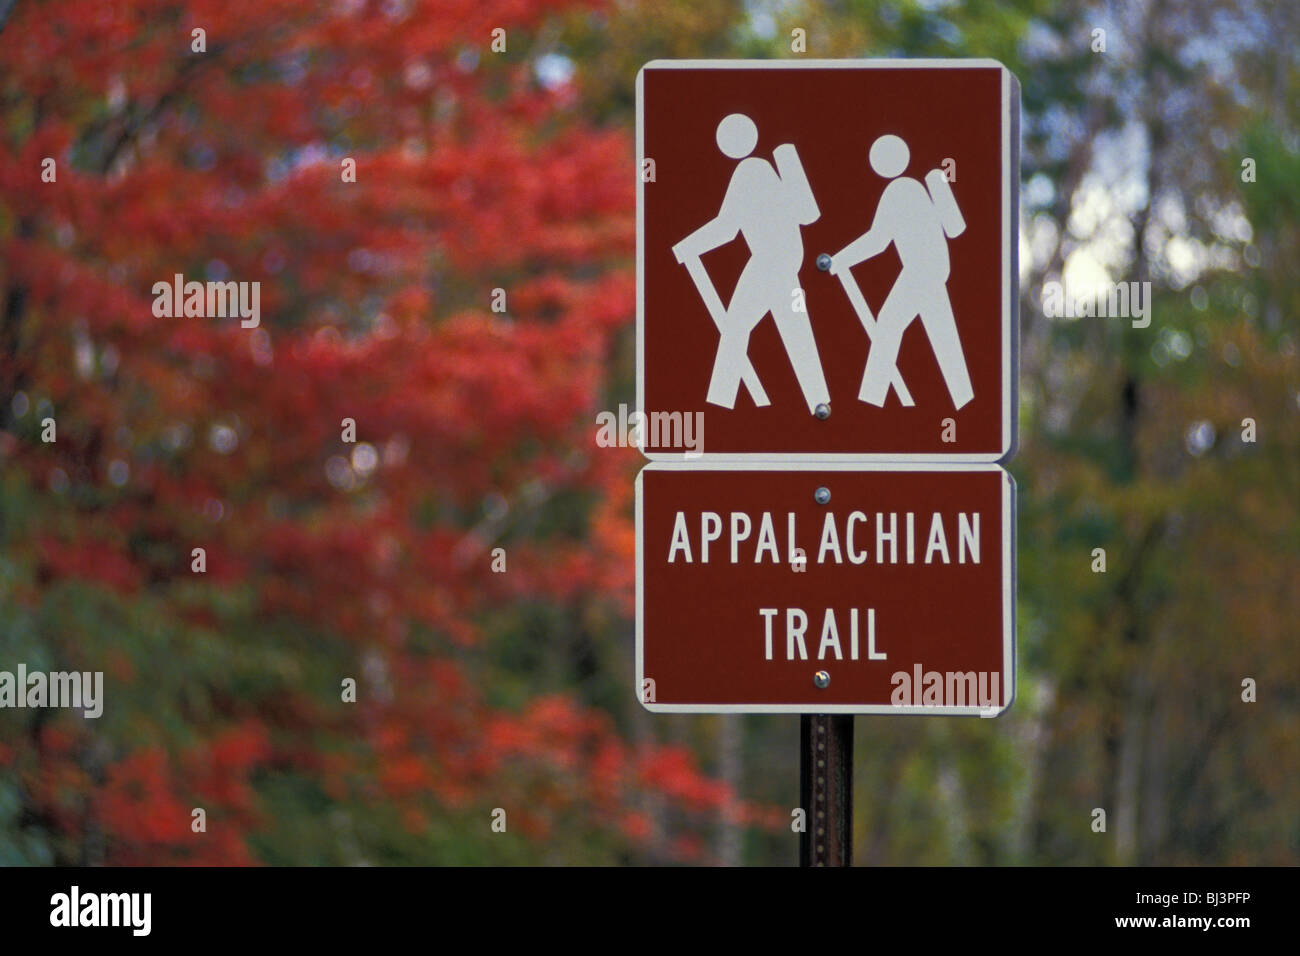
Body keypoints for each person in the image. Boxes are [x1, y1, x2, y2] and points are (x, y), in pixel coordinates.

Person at [673, 113, 830, 414]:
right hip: (786, 263)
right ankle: (818, 401)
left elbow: (728, 227)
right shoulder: (766, 170)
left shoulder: (749, 171)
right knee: (794, 328)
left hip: (769, 263)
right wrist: (689, 247)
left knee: (736, 326)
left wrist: (686, 247)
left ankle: (720, 405)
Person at [828, 134, 974, 410]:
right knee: (941, 334)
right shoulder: (914, 187)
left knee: (888, 323)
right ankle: (965, 401)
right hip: (934, 268)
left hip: (921, 271)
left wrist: (839, 260)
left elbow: (878, 240)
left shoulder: (899, 190)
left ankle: (871, 401)